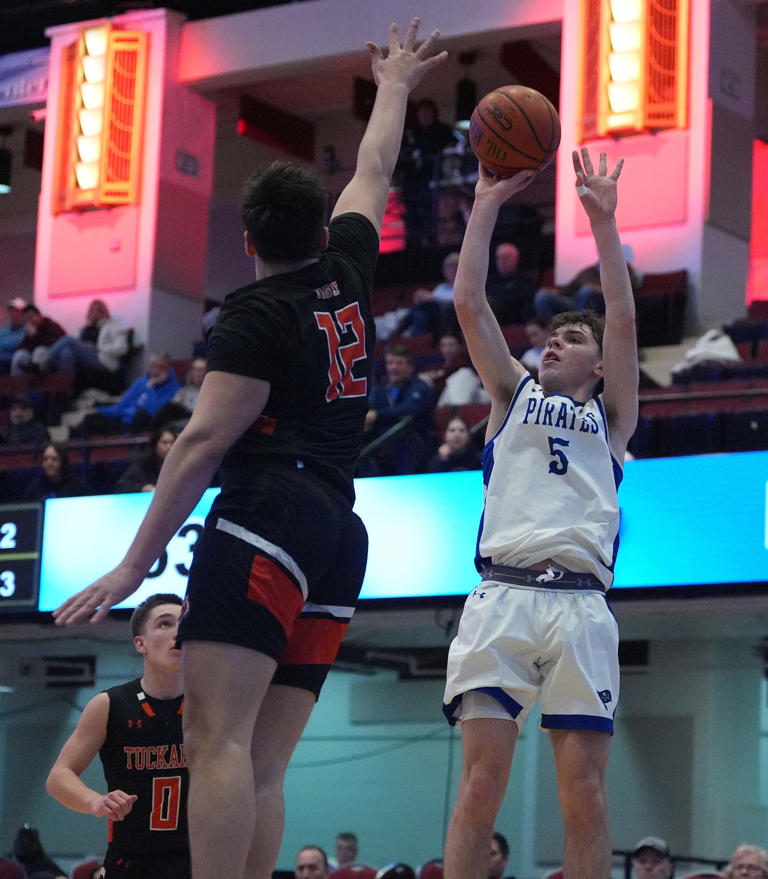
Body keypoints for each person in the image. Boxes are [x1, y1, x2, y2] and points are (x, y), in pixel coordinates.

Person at [52, 19, 447, 879]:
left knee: (216, 739)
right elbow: (373, 169)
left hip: (269, 513)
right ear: (319, 225)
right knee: (262, 761)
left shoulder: (255, 315)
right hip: (339, 530)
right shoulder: (345, 265)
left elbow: (199, 443)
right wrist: (395, 85)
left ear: (249, 239)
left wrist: (131, 566)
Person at [441, 147, 639, 879]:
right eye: (551, 335)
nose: (554, 340)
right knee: (479, 785)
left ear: (596, 366)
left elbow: (620, 317)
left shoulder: (614, 417)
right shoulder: (510, 394)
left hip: (583, 604)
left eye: (572, 338)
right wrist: (485, 203)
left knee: (583, 792)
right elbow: (469, 302)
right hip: (503, 594)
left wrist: (604, 224)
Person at [46, 594, 188, 879]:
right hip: (130, 861)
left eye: (183, 623)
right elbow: (58, 777)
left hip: (197, 859)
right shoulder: (110, 704)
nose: (177, 632)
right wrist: (95, 801)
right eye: (164, 624)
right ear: (140, 643)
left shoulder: (213, 704)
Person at [363, 342, 435, 475]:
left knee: (406, 441)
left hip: (413, 443)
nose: (394, 367)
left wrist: (377, 416)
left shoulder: (419, 386)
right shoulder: (380, 390)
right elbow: (368, 413)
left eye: (399, 363)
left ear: (410, 367)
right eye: (390, 363)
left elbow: (411, 409)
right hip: (380, 444)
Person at [399, 98, 457, 249]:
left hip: (433, 179)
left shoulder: (442, 131)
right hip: (412, 181)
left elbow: (453, 147)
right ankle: (412, 243)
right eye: (422, 113)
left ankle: (431, 241)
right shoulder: (411, 133)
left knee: (430, 213)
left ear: (434, 114)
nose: (425, 117)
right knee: (411, 214)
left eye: (428, 113)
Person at [79, 353, 181, 436]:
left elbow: (153, 412)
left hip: (141, 425)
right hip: (124, 419)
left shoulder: (175, 388)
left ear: (168, 369)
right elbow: (121, 407)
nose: (155, 371)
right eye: (153, 366)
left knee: (141, 415)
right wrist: (98, 410)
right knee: (89, 417)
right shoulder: (141, 382)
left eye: (160, 367)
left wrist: (151, 389)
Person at [533, 244, 642, 319]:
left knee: (587, 291)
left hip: (603, 306)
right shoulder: (588, 271)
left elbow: (630, 287)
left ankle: (584, 326)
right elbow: (567, 291)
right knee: (543, 295)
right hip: (576, 304)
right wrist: (554, 292)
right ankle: (546, 332)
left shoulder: (623, 268)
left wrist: (599, 290)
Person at [44, 298, 130, 383]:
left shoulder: (112, 326)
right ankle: (64, 390)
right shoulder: (86, 329)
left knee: (68, 340)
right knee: (67, 353)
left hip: (103, 360)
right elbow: (81, 344)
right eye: (92, 310)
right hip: (88, 355)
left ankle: (45, 360)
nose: (94, 313)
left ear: (104, 312)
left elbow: (122, 348)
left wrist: (99, 348)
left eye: (98, 310)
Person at [393, 252, 460, 338]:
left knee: (438, 307)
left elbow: (456, 301)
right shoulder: (441, 287)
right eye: (448, 268)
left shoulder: (463, 286)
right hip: (434, 317)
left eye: (455, 268)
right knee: (419, 312)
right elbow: (432, 301)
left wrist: (431, 297)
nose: (451, 271)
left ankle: (397, 333)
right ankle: (417, 338)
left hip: (452, 316)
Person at [419, 331, 487, 407]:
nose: (447, 349)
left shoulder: (466, 363)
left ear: (460, 347)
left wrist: (437, 377)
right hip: (440, 399)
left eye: (451, 345)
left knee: (464, 374)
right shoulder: (435, 366)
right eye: (443, 345)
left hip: (464, 395)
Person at [484, 243, 536, 325]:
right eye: (499, 258)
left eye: (506, 258)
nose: (502, 262)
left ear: (516, 259)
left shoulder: (524, 281)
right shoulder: (490, 282)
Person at [150, 358, 206, 433]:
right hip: (184, 418)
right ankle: (153, 434)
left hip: (199, 418)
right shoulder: (185, 389)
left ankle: (150, 432)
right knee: (168, 410)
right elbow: (174, 403)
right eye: (195, 369)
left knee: (169, 408)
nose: (197, 373)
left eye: (201, 370)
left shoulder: (210, 390)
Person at [114, 426, 177, 493]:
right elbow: (122, 486)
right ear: (155, 445)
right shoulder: (143, 463)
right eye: (165, 443)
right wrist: (142, 488)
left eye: (172, 443)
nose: (169, 447)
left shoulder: (179, 464)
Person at [22, 442, 92, 501]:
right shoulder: (34, 488)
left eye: (54, 459)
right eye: (45, 459)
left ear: (63, 462)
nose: (49, 463)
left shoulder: (78, 487)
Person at [10, 304, 65, 375]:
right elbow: (22, 346)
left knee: (40, 351)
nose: (31, 320)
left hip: (53, 354)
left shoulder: (50, 325)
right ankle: (17, 383)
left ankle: (39, 382)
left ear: (39, 315)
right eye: (27, 319)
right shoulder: (29, 330)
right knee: (19, 355)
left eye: (32, 317)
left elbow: (51, 343)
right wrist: (30, 337)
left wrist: (35, 335)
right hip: (34, 357)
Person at [0, 297, 28, 374]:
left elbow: (15, 344)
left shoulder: (27, 331)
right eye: (11, 311)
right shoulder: (4, 332)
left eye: (16, 311)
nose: (13, 314)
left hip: (11, 361)